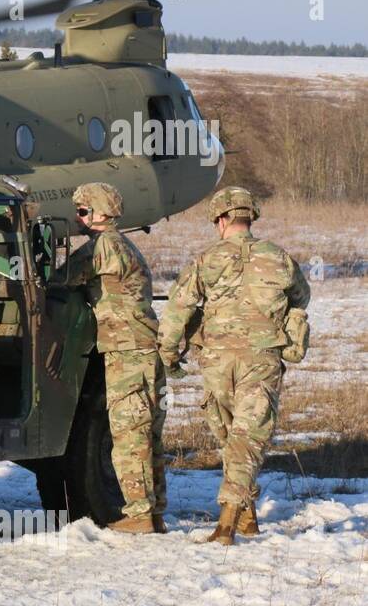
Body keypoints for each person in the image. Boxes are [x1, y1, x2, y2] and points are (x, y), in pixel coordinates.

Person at [159, 187, 311, 545]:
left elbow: (178, 307)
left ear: (222, 220)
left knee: (235, 436)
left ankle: (229, 520)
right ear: (249, 218)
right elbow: (302, 296)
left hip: (217, 360)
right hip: (261, 358)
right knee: (243, 438)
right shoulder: (279, 258)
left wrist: (168, 352)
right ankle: (244, 515)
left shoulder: (205, 260)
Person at [62, 182, 167, 534]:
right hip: (141, 346)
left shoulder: (103, 246)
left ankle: (138, 515)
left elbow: (61, 279)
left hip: (126, 350)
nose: (77, 218)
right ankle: (153, 513)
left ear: (100, 214)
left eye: (81, 211)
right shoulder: (122, 243)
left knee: (128, 434)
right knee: (146, 432)